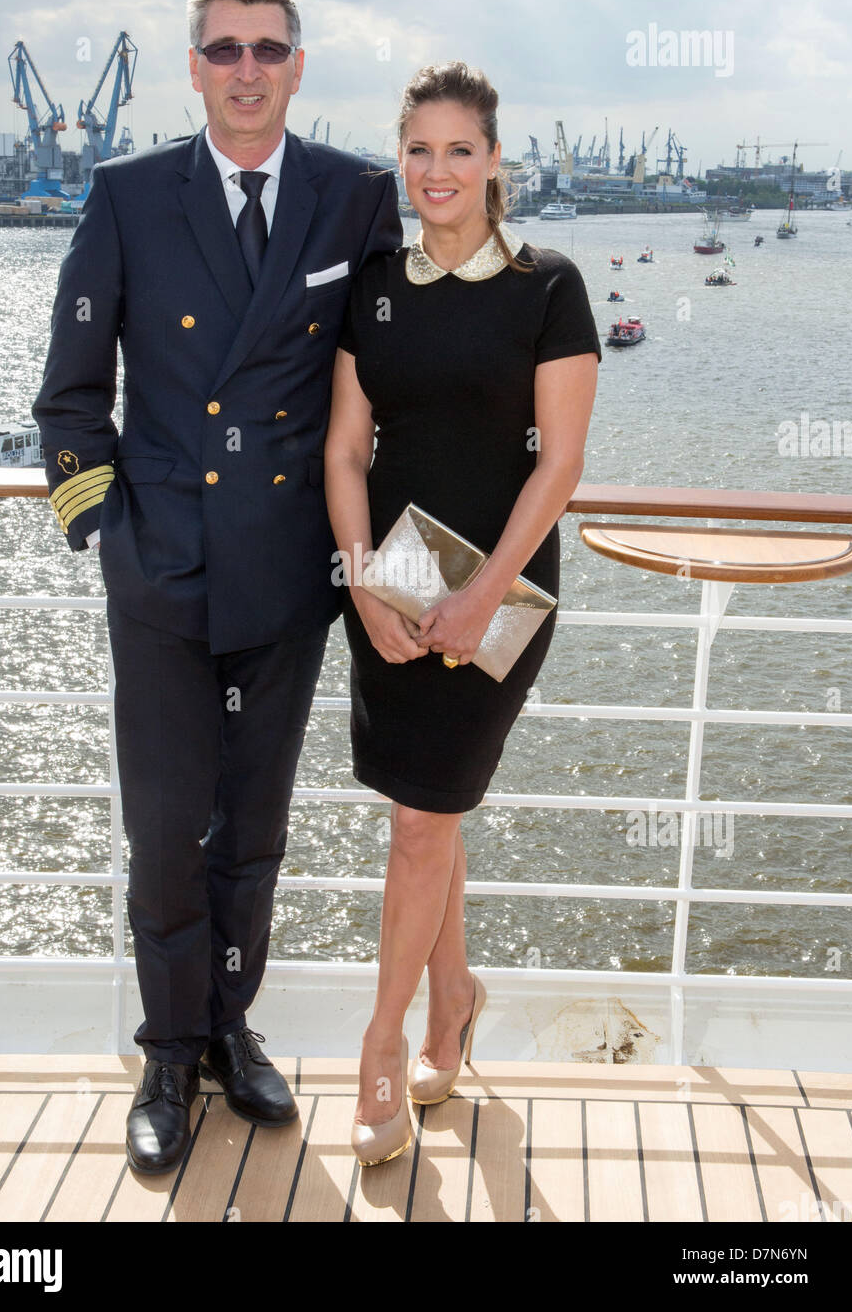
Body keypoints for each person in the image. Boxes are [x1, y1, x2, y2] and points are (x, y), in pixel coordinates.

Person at [32, 0, 402, 1175]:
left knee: (253, 832)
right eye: (225, 50)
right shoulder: (128, 196)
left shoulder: (356, 197)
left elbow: (389, 385)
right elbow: (71, 396)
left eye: (269, 49)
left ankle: (230, 1031)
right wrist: (109, 534)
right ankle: (164, 1049)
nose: (247, 69)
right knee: (161, 831)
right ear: (193, 68)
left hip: (287, 579)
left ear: (299, 67)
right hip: (164, 581)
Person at [324, 62, 600, 1167]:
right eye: (418, 149)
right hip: (387, 586)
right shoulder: (373, 283)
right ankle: (451, 1003)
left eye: (458, 149)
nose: (436, 171)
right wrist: (358, 578)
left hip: (498, 601)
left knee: (419, 822)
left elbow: (560, 463)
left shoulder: (548, 285)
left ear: (493, 160)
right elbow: (345, 448)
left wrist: (478, 591)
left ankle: (379, 1046)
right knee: (426, 813)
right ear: (402, 159)